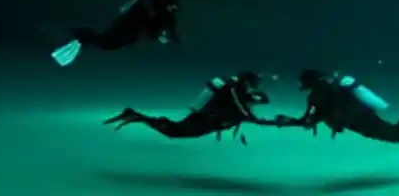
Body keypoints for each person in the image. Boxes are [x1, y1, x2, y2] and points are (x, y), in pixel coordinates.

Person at [274, 69, 399, 144]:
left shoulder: (318, 96)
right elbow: (314, 118)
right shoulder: (328, 91)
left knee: (397, 135)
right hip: (362, 119)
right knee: (396, 135)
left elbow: (310, 119)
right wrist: (290, 121)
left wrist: (288, 121)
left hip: (362, 121)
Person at [102, 71, 273, 145]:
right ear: (246, 82)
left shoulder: (237, 91)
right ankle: (135, 115)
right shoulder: (234, 90)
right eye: (253, 84)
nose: (253, 88)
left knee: (174, 131)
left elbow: (246, 107)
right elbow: (240, 107)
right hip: (204, 118)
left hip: (207, 119)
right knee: (174, 131)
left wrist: (252, 116)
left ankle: (136, 115)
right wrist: (250, 116)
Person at [51, 0, 181, 67]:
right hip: (127, 27)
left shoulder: (160, 7)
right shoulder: (153, 4)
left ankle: (77, 35)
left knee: (107, 43)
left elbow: (165, 24)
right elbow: (159, 23)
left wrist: (169, 36)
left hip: (130, 29)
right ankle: (77, 34)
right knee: (107, 43)